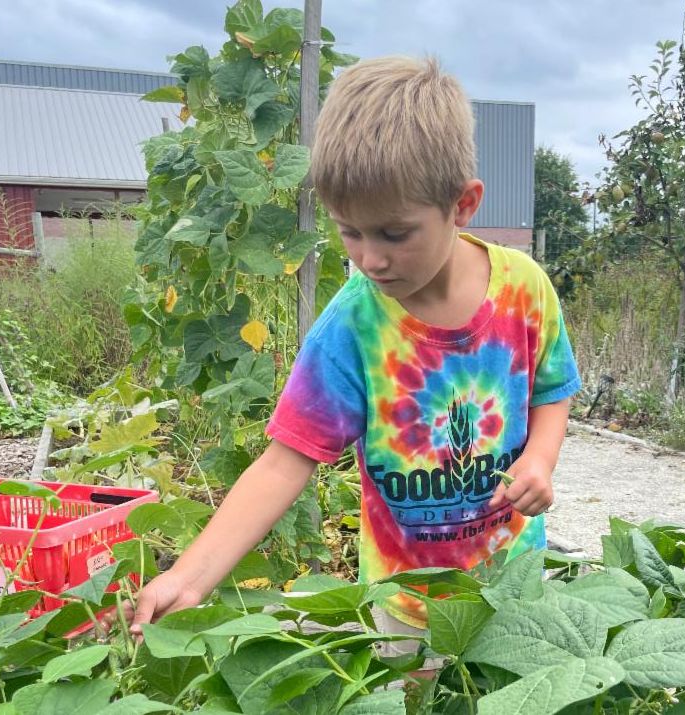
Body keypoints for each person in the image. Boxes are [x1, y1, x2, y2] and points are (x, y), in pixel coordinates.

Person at [126, 56, 581, 656]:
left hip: (512, 589)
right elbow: (283, 464)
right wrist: (188, 577)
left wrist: (540, 460)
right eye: (349, 231)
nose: (371, 259)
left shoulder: (524, 290)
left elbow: (552, 389)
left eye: (394, 234)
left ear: (463, 205)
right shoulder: (352, 327)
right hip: (404, 604)